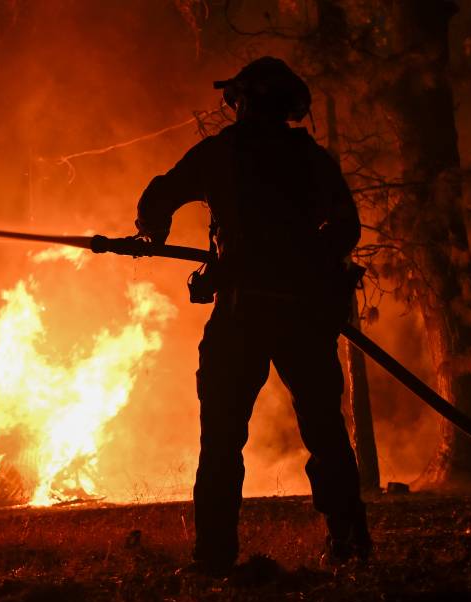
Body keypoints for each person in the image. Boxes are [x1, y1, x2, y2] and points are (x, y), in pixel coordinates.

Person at [133, 57, 370, 574]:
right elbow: (346, 228)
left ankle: (215, 556)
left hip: (242, 317)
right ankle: (350, 544)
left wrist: (152, 232)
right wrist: (309, 262)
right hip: (304, 316)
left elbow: (160, 194)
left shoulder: (223, 154)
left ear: (241, 101)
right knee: (325, 432)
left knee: (221, 438)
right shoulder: (310, 160)